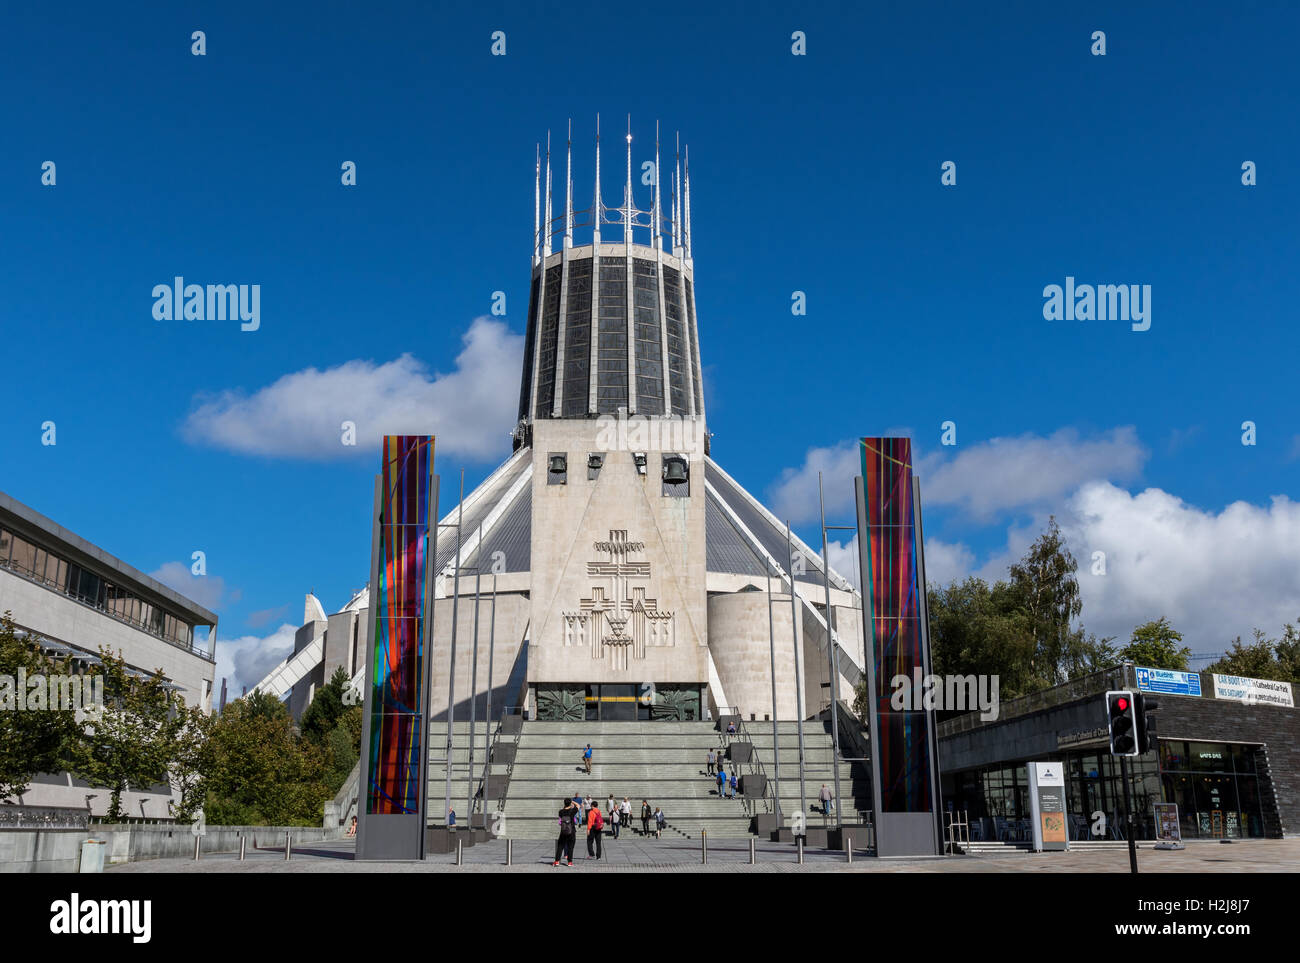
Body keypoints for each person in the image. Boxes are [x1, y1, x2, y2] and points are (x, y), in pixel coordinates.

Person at [554, 798, 577, 866]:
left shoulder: (561, 811)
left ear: (564, 803)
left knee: (560, 846)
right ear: (570, 803)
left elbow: (561, 818)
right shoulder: (572, 811)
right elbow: (578, 805)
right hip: (572, 831)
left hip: (563, 831)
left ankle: (557, 861)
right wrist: (572, 801)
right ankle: (569, 862)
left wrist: (567, 805)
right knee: (570, 847)